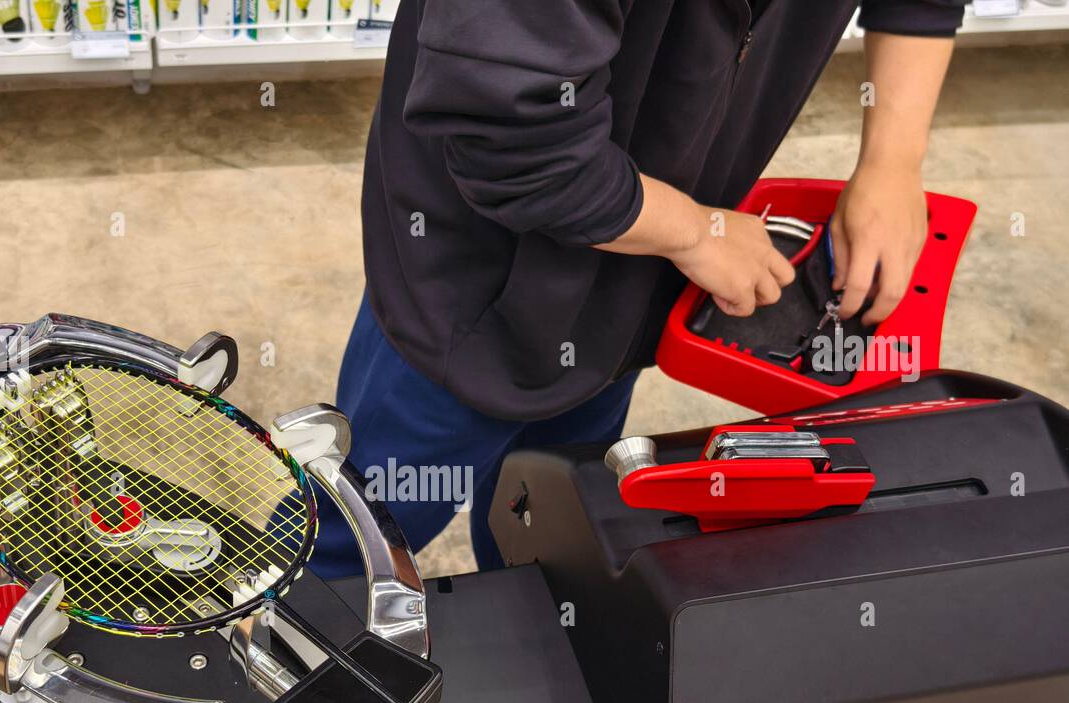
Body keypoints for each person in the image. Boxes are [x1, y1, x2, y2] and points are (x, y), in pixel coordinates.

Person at [312, 0, 964, 578]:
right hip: (471, 287)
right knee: (356, 539)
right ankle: (290, 642)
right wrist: (694, 233)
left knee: (544, 520)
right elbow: (506, 134)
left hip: (628, 273)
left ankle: (529, 615)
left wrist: (892, 161)